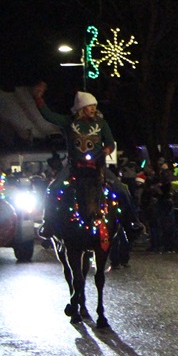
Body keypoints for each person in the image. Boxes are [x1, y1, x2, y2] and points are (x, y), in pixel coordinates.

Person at [32, 83, 142, 239]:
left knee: (121, 189)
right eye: (90, 106)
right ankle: (48, 223)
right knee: (53, 189)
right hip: (74, 167)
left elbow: (110, 142)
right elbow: (48, 116)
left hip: (97, 166)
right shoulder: (69, 122)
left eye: (94, 106)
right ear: (81, 107)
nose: (93, 109)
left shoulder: (101, 124)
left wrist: (106, 150)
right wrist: (38, 98)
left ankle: (132, 223)